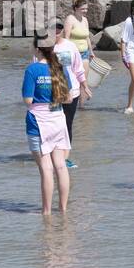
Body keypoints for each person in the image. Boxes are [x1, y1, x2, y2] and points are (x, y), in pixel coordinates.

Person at [23, 34, 75, 215]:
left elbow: (28, 100)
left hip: (38, 121)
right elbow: (68, 98)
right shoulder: (60, 67)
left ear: (36, 49)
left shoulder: (32, 70)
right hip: (58, 118)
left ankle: (46, 212)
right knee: (60, 166)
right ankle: (63, 209)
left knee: (46, 168)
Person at [45, 20, 87, 168]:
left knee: (66, 124)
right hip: (51, 93)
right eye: (53, 29)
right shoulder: (44, 46)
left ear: (62, 30)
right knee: (52, 125)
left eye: (58, 29)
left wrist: (85, 87)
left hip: (71, 92)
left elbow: (78, 69)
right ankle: (52, 155)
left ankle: (65, 158)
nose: (56, 32)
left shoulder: (70, 46)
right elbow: (37, 68)